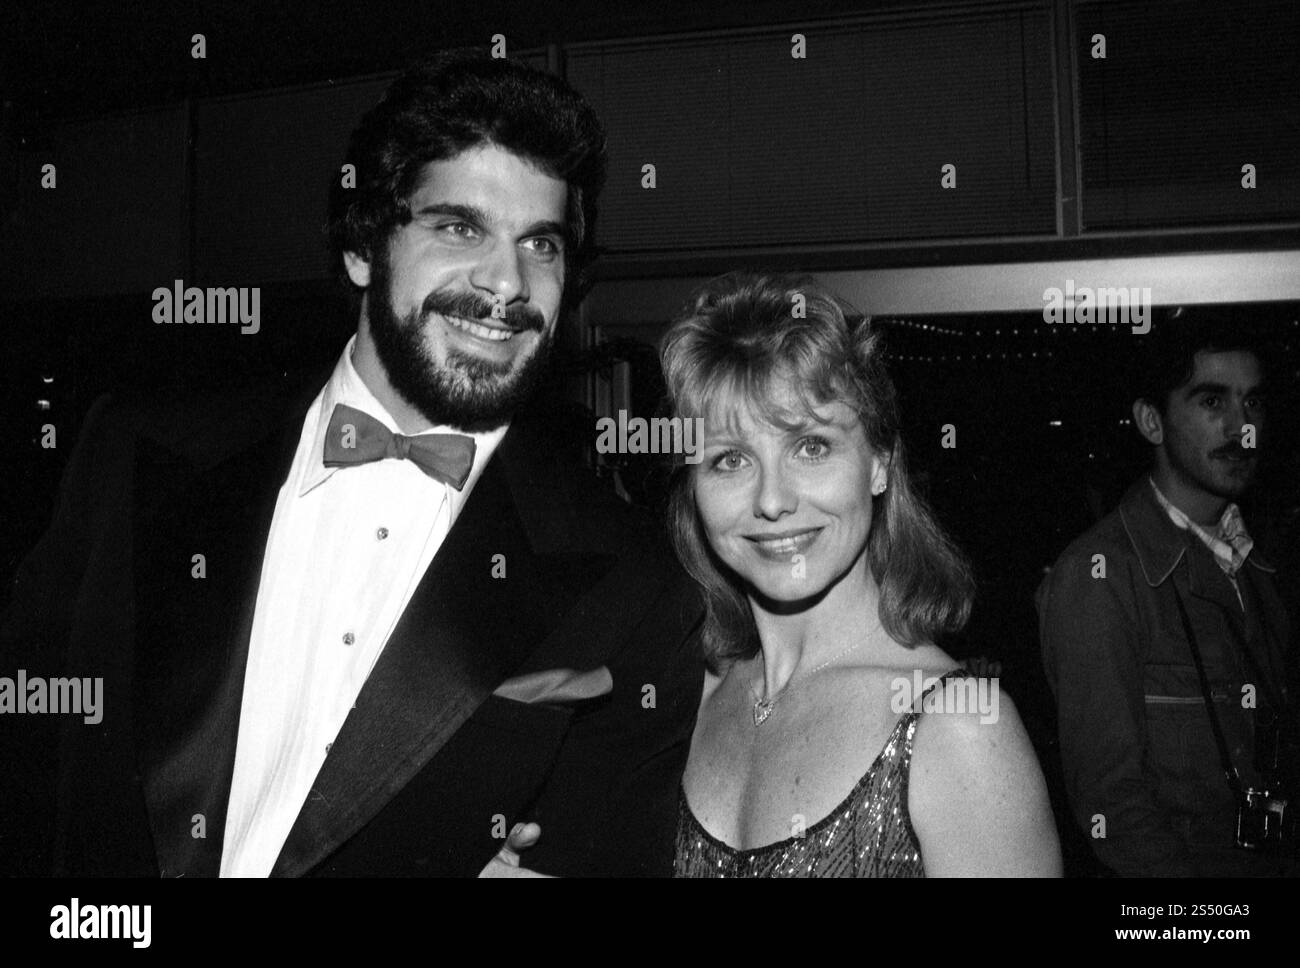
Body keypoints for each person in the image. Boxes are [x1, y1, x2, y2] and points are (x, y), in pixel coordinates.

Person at [0, 50, 703, 878]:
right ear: (365, 248)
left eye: (540, 245)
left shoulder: (633, 587)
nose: (507, 283)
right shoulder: (138, 454)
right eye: (459, 227)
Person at [659, 273, 1061, 876]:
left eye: (811, 447)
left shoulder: (960, 729)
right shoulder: (692, 692)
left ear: (879, 463)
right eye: (730, 459)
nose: (772, 500)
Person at [1037, 309, 1295, 876]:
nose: (1241, 427)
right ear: (1151, 422)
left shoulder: (1256, 557)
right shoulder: (1100, 574)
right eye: (1212, 403)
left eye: (1252, 402)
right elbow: (1114, 809)